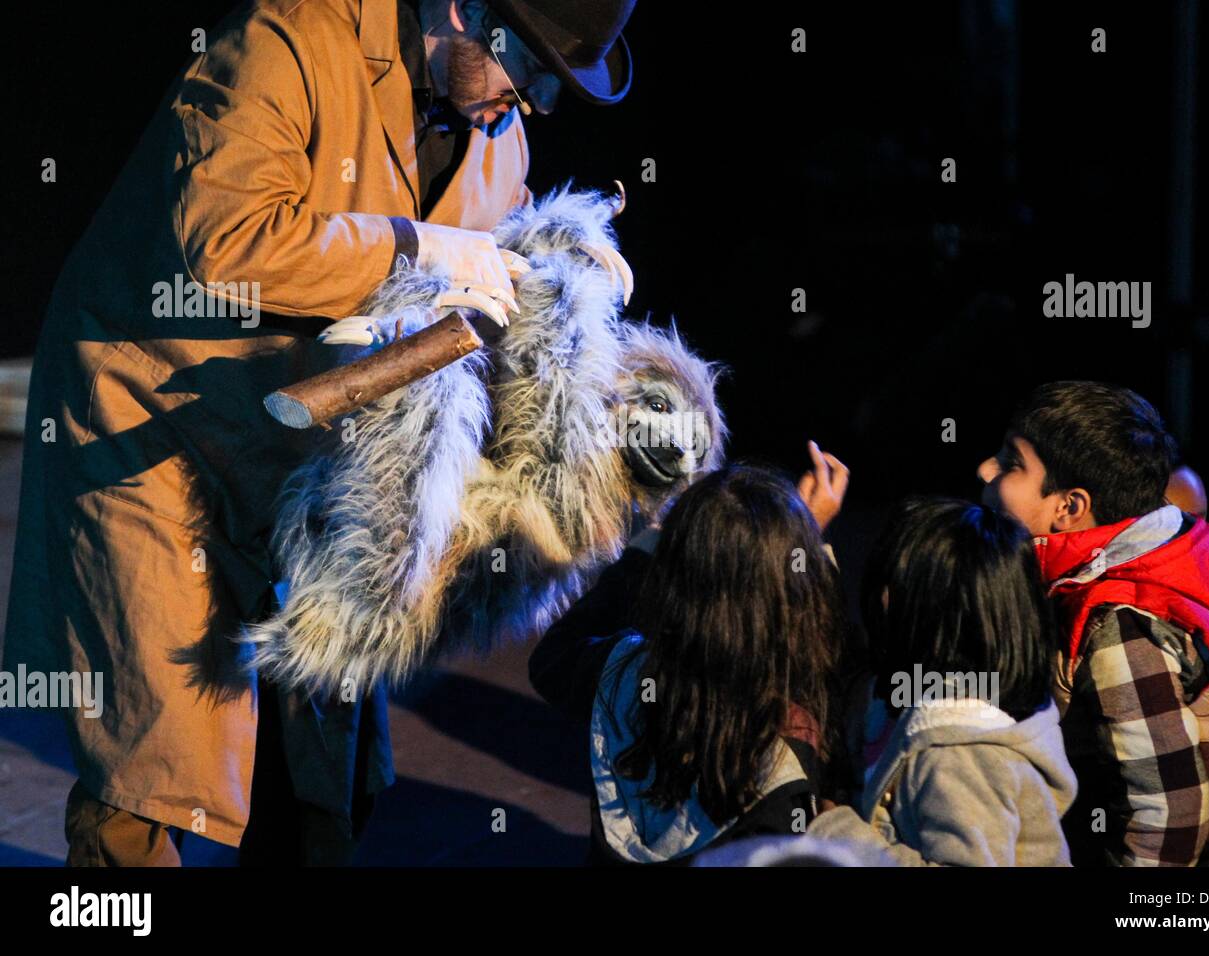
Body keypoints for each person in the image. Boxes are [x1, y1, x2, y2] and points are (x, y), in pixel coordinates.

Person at [5, 0, 637, 866]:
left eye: (548, 91)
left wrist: (555, 266)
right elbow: (227, 240)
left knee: (325, 781)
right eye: (524, 70)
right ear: (465, 9)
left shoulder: (498, 125)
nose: (522, 105)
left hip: (309, 448)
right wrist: (421, 249)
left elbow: (492, 255)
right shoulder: (289, 40)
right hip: (154, 421)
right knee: (153, 772)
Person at [977, 380, 1209, 865]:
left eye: (1012, 463)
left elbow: (1169, 819)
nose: (986, 469)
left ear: (1069, 507)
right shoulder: (1145, 543)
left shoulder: (1123, 627)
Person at [530, 456, 852, 864]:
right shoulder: (790, 748)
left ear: (669, 578)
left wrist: (651, 545)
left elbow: (552, 657)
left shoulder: (621, 674)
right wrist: (806, 548)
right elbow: (830, 661)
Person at [810, 498, 1078, 866]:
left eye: (898, 588)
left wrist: (834, 830)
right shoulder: (945, 688)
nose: (883, 599)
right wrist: (810, 545)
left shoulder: (961, 753)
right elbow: (849, 661)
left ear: (944, 617)